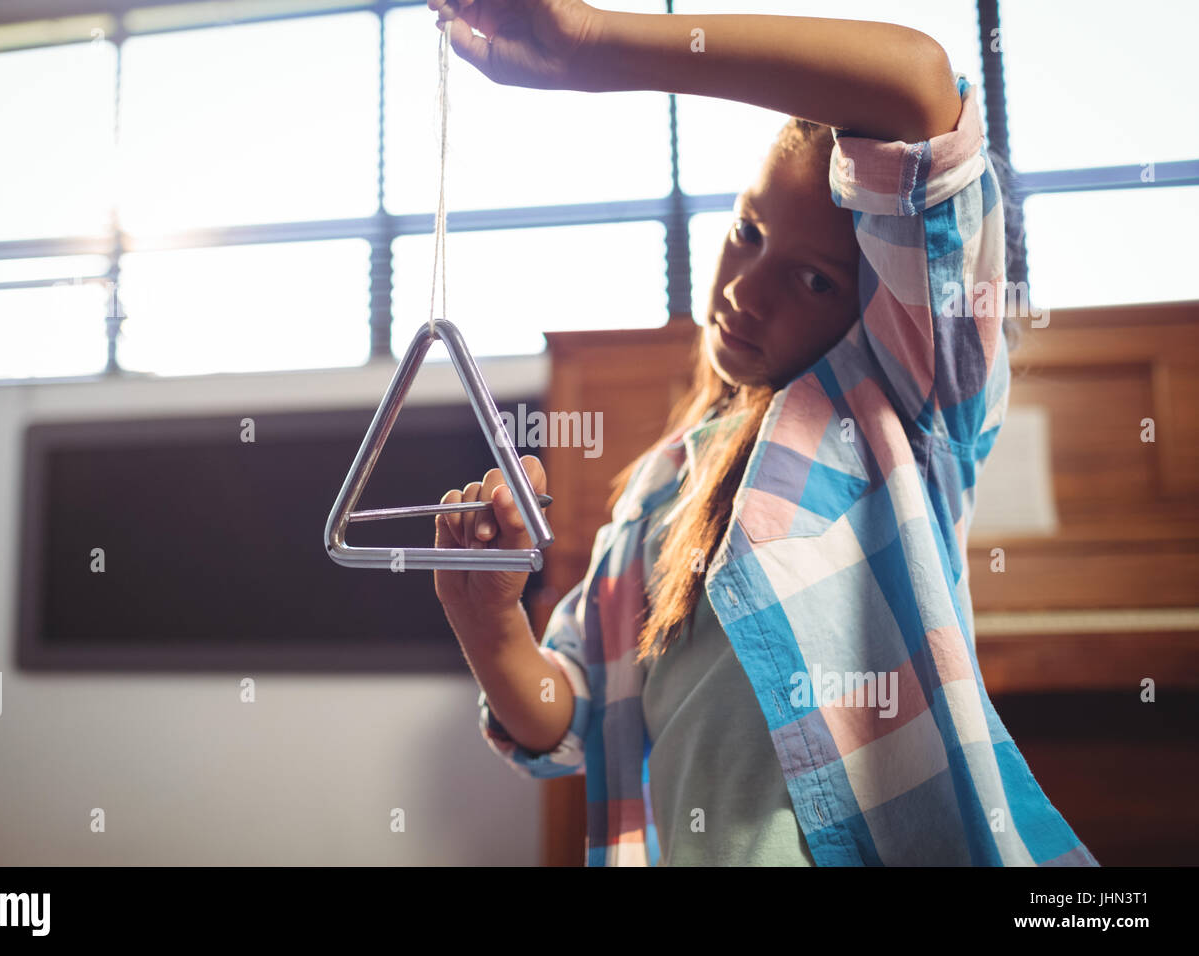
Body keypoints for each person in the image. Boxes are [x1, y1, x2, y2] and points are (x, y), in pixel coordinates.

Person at [429, 0, 1098, 867]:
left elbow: (918, 86)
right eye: (747, 232)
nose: (745, 288)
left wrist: (594, 44)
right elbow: (567, 717)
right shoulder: (659, 489)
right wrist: (488, 624)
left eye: (814, 280)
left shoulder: (904, 405)